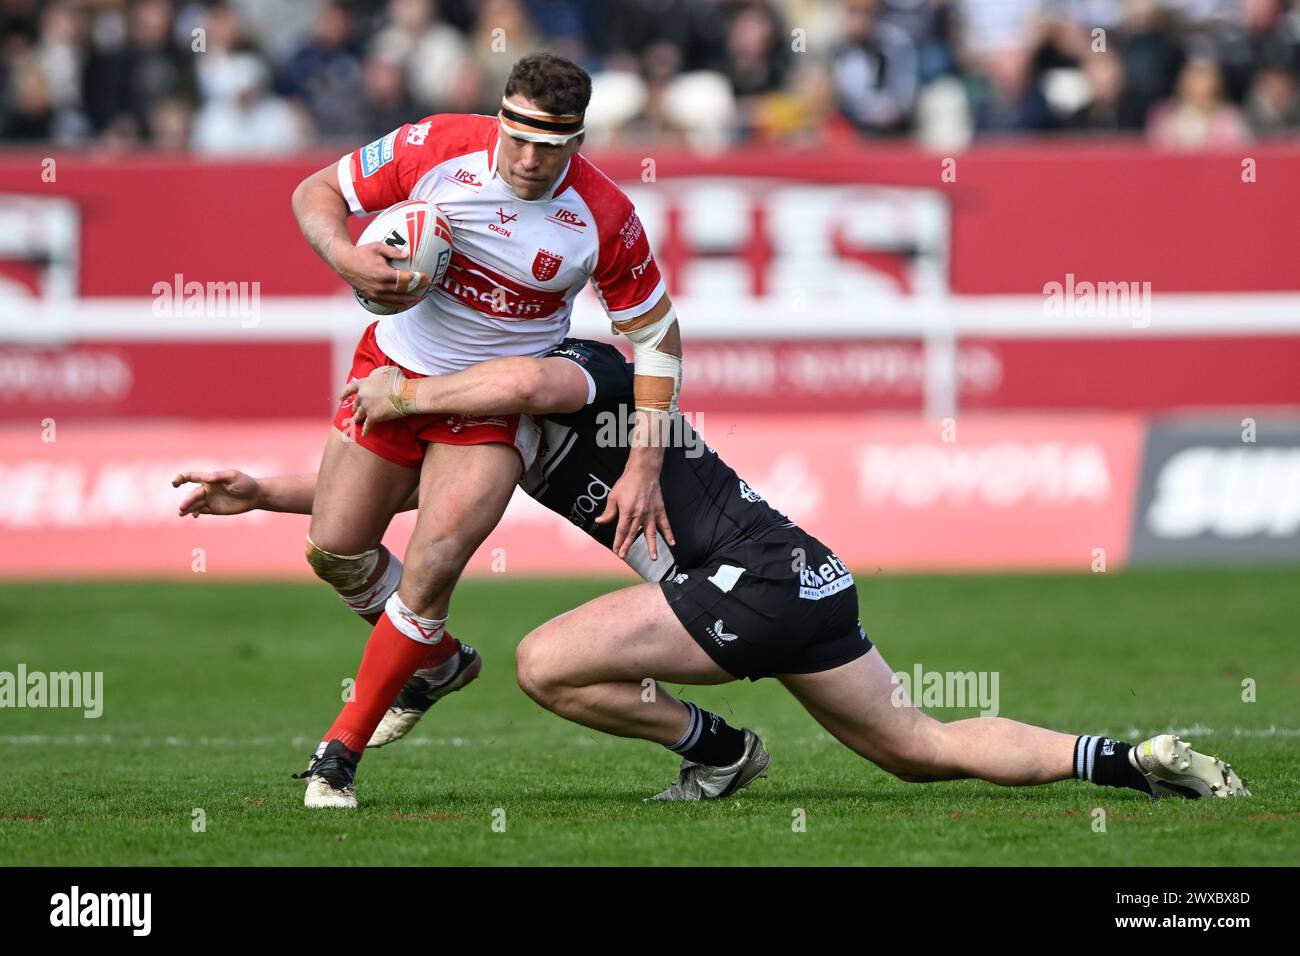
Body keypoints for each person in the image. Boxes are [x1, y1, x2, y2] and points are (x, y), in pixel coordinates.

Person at [175, 341, 1251, 805]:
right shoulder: (501, 436)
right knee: (919, 750)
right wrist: (264, 495)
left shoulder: (584, 370)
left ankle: (722, 751)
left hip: (754, 578)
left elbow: (526, 373)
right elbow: (416, 499)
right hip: (801, 573)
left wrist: (406, 392)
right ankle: (1125, 759)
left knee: (546, 661)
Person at [286, 51, 682, 806]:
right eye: (519, 138)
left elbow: (658, 338)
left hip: (493, 404)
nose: (531, 160)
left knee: (432, 567)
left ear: (579, 141)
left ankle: (338, 754)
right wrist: (347, 257)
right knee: (336, 549)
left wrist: (645, 463)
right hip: (390, 373)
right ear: (501, 117)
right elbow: (316, 192)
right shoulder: (434, 145)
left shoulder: (603, 216)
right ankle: (438, 664)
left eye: (553, 146)